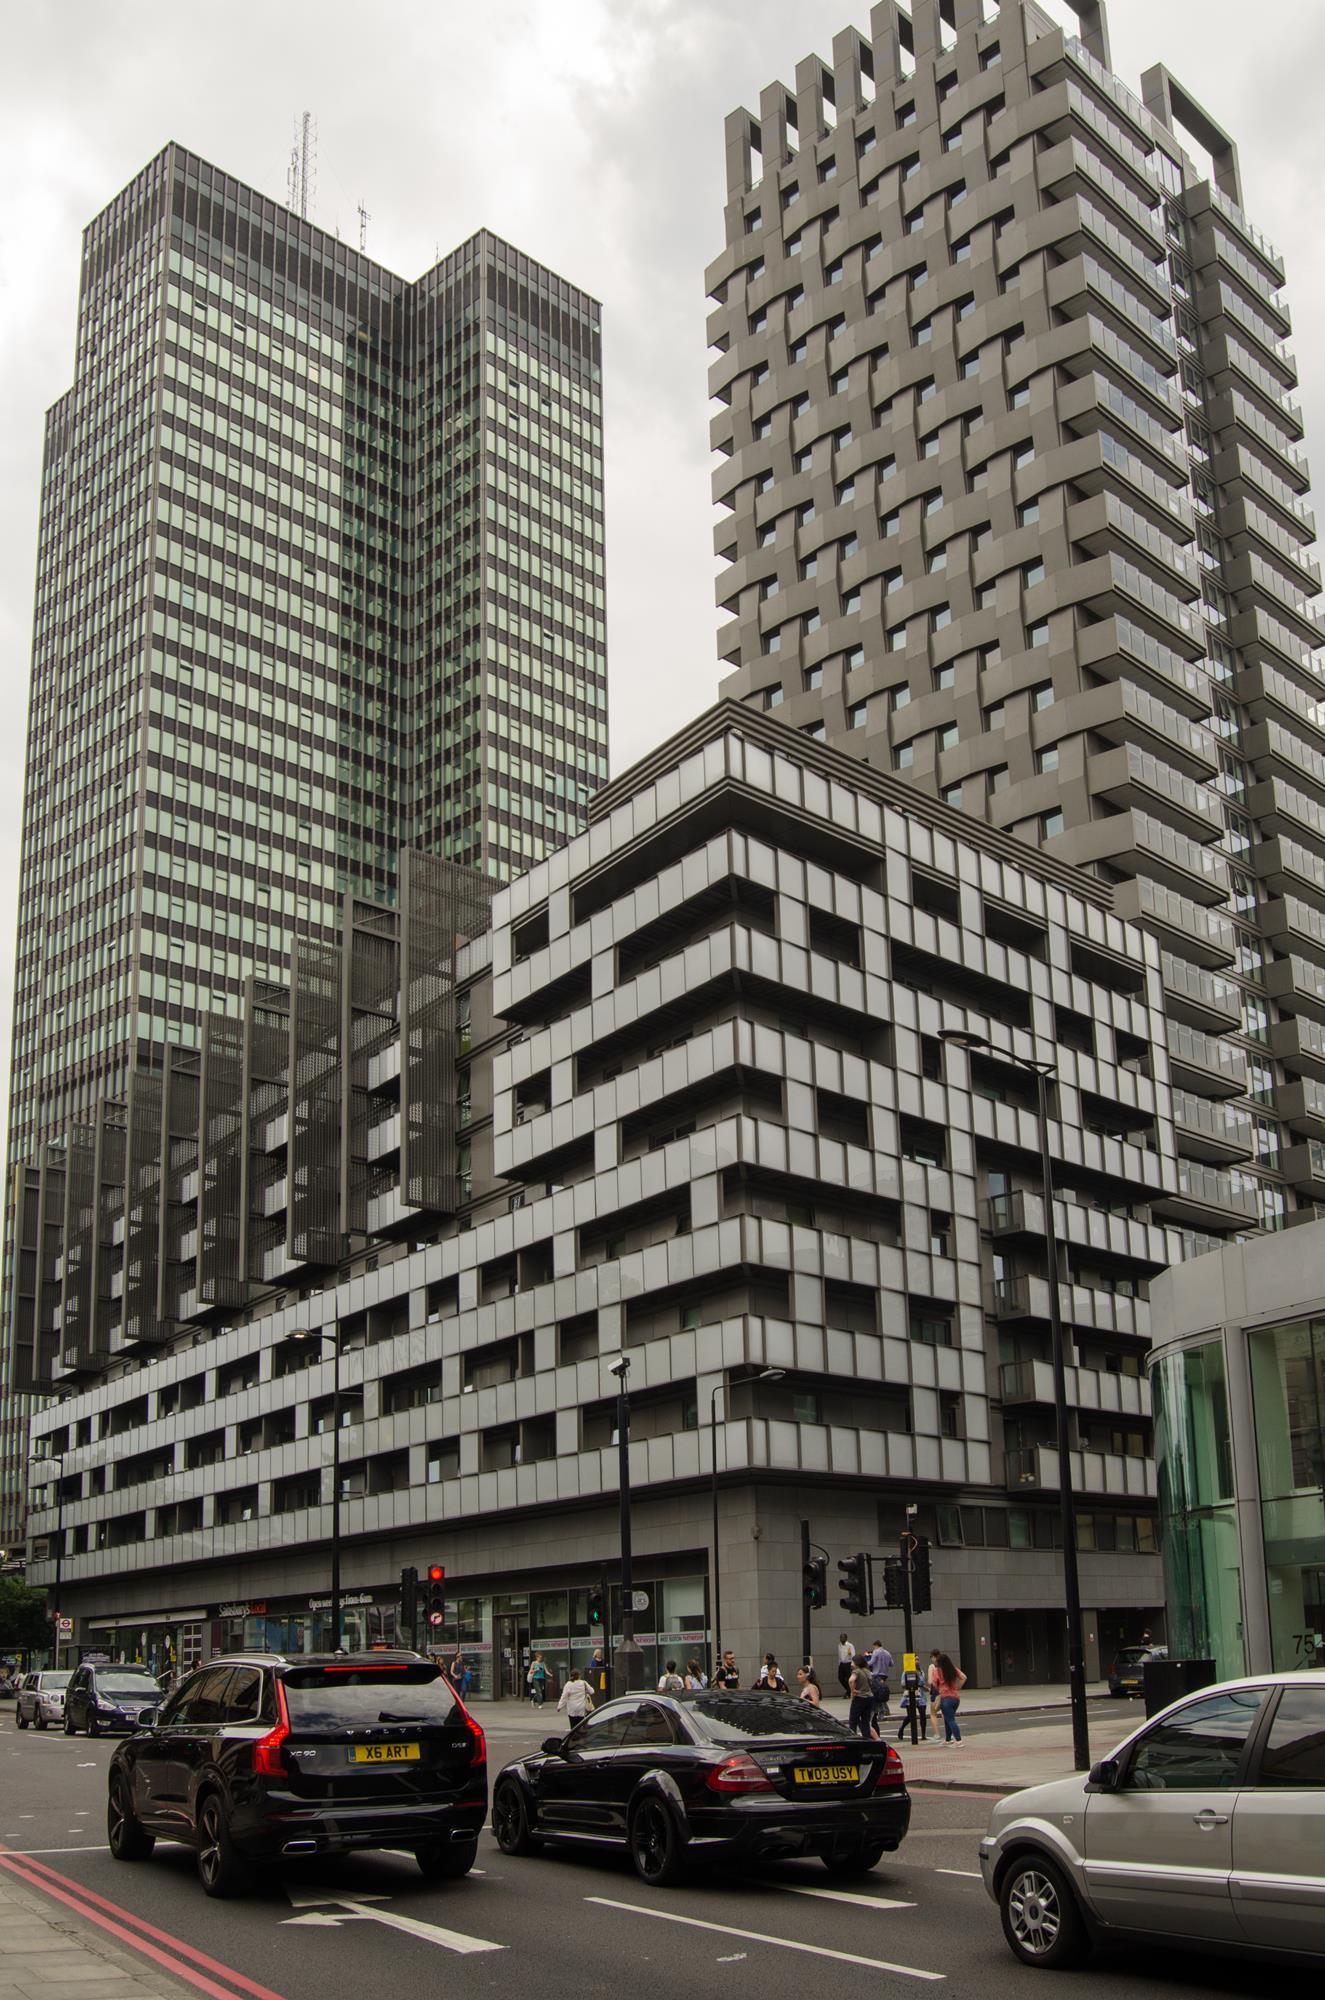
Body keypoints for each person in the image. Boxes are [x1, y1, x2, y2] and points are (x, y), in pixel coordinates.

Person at [933, 1652, 967, 1743]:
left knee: (950, 1720)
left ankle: (958, 1740)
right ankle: (948, 1739)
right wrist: (958, 1687)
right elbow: (964, 1677)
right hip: (956, 1698)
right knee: (948, 1718)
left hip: (946, 1699)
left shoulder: (937, 1671)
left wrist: (939, 1688)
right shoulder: (953, 1669)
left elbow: (934, 1683)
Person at [847, 1654, 876, 1740]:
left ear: (856, 1662)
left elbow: (851, 1680)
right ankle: (866, 1739)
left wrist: (853, 1690)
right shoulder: (867, 1671)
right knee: (865, 1721)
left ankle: (853, 1739)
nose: (851, 1663)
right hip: (869, 1697)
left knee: (853, 1721)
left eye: (852, 1661)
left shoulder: (856, 1671)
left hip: (859, 1697)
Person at [867, 1639, 894, 1717]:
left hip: (877, 1675)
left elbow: (871, 1662)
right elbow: (892, 1664)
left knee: (877, 1693)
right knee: (881, 1692)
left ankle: (883, 1710)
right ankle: (883, 1710)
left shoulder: (876, 1652)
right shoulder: (887, 1653)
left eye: (874, 1647)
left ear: (876, 1645)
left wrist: (864, 1664)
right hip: (884, 1675)